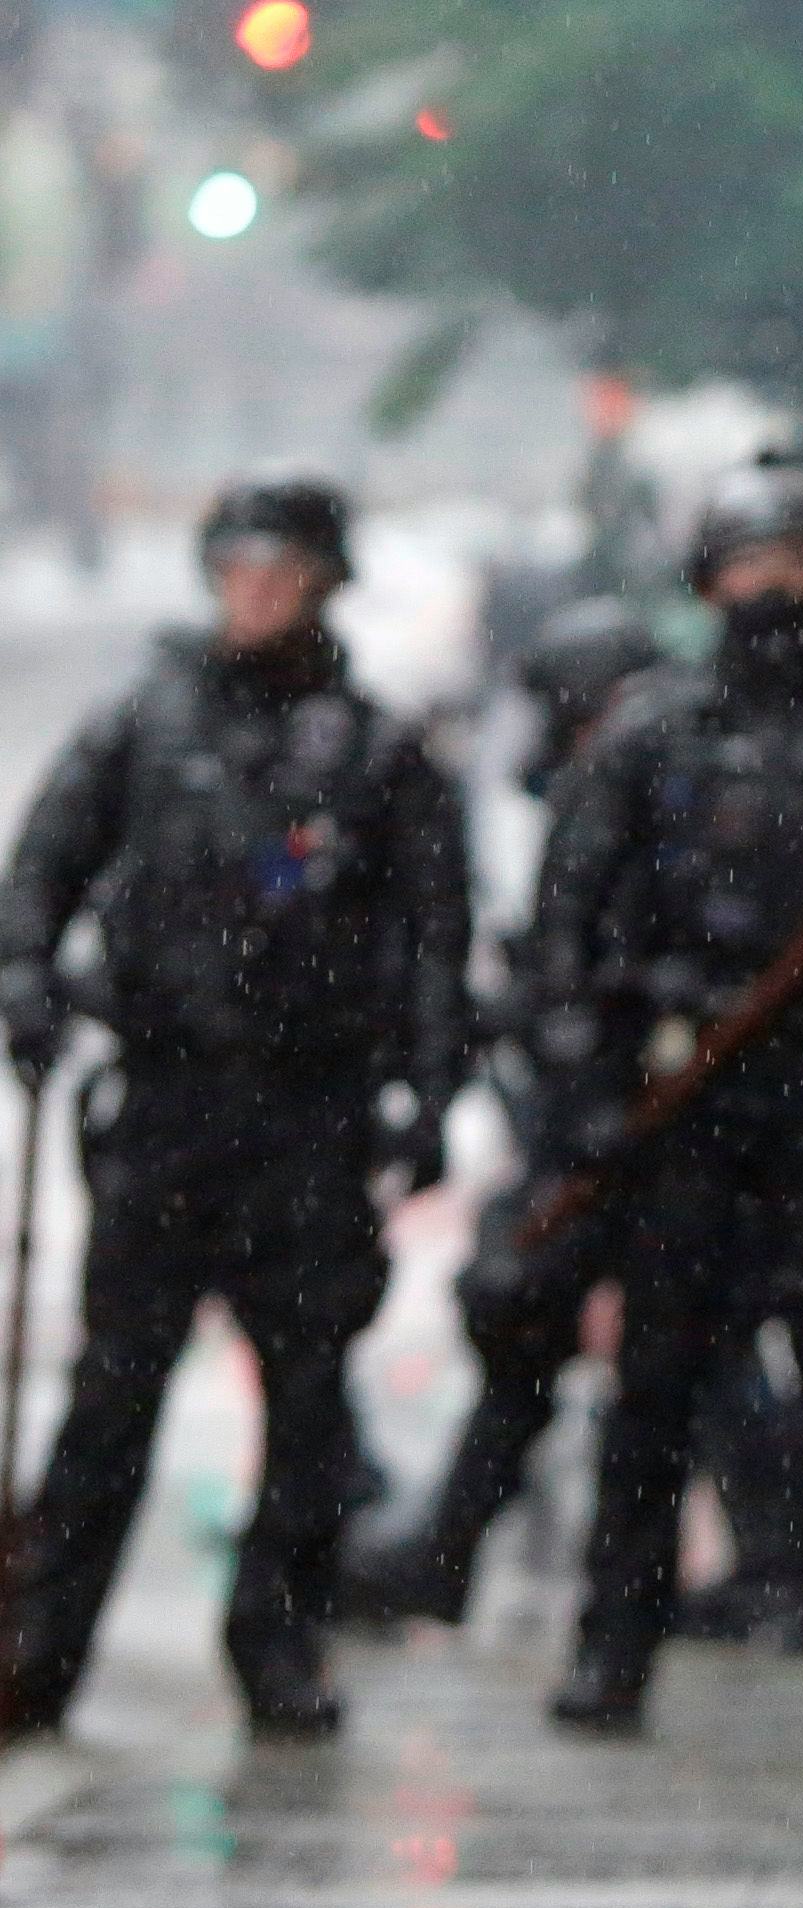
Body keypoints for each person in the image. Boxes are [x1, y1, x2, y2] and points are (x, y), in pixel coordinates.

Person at [0, 473, 472, 1740]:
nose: (256, 591)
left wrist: (429, 1094)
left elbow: (435, 938)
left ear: (322, 583)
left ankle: (277, 1637)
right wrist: (29, 986)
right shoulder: (146, 726)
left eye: (283, 569)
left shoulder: (376, 753)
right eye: (239, 566)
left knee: (307, 1399)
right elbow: (41, 870)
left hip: (309, 1115)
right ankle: (47, 1645)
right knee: (114, 1397)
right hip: (165, 1105)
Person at [524, 463, 803, 1733]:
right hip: (687, 1108)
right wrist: (588, 1091)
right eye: (750, 567)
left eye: (795, 566)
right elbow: (565, 932)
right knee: (656, 1391)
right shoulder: (650, 739)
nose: (773, 590)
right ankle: (616, 1645)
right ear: (711, 583)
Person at [339, 596, 667, 1634]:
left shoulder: (654, 791)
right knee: (530, 1326)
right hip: (590, 1116)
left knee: (672, 1346)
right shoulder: (604, 794)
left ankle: (780, 1558)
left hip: (654, 1118)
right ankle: (446, 1554)